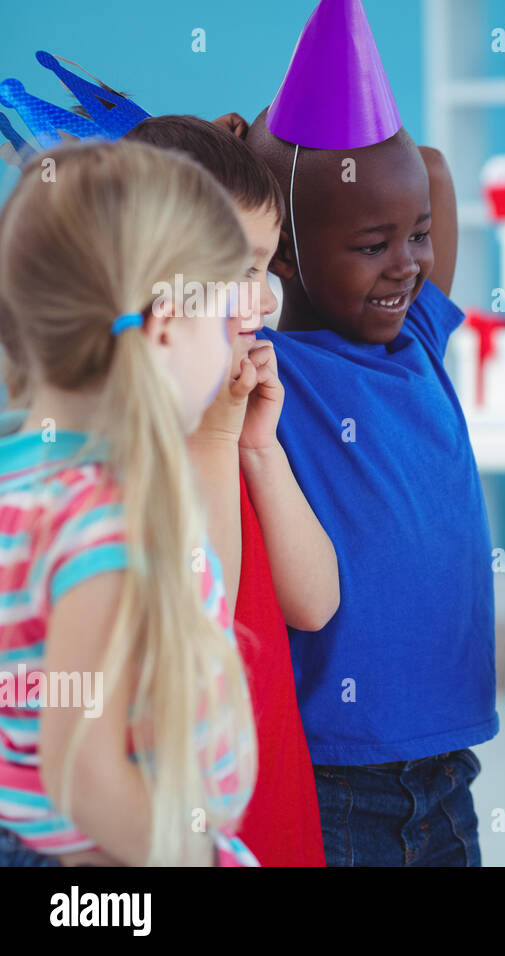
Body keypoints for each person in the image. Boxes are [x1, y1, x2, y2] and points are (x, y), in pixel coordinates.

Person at [238, 0, 493, 865]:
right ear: (280, 253)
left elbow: (432, 169)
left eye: (415, 237)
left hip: (451, 770)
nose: (409, 264)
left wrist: (378, 184)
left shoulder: (416, 335)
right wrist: (242, 168)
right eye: (373, 244)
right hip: (339, 778)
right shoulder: (269, 363)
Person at [0, 139, 259, 865]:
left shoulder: (23, 476)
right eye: (220, 315)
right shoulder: (105, 519)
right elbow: (83, 770)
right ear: (169, 325)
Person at [123, 115, 339, 866]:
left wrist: (256, 448)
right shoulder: (131, 447)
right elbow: (201, 633)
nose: (263, 301)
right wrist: (215, 442)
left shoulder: (229, 421)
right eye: (235, 272)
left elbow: (313, 603)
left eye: (265, 266)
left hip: (273, 806)